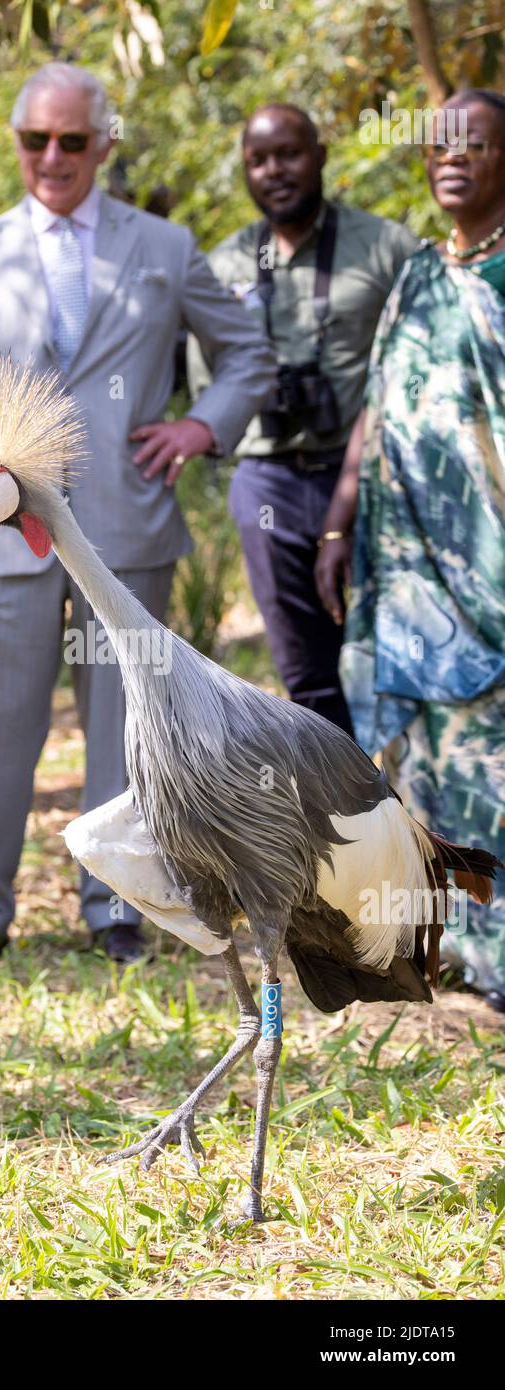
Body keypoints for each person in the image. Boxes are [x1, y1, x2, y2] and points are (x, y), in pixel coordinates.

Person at [0, 62, 276, 968]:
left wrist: (203, 425)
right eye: (34, 139)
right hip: (3, 532)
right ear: (15, 142)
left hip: (127, 528)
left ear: (105, 143)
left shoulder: (163, 247)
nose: (52, 157)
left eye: (72, 140)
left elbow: (244, 353)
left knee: (128, 726)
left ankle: (115, 907)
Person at [316, 90, 505, 1008]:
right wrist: (340, 518)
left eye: (474, 143)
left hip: (492, 565)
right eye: (437, 146)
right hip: (407, 571)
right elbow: (382, 406)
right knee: (423, 755)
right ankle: (446, 950)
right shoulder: (420, 275)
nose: (451, 158)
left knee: (492, 749)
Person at [189, 104, 418, 734]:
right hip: (268, 479)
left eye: (288, 154)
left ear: (320, 154)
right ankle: (348, 813)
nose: (274, 171)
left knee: (396, 649)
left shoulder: (385, 245)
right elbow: (208, 377)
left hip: (370, 473)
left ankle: (419, 809)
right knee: (306, 672)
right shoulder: (224, 263)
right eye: (258, 161)